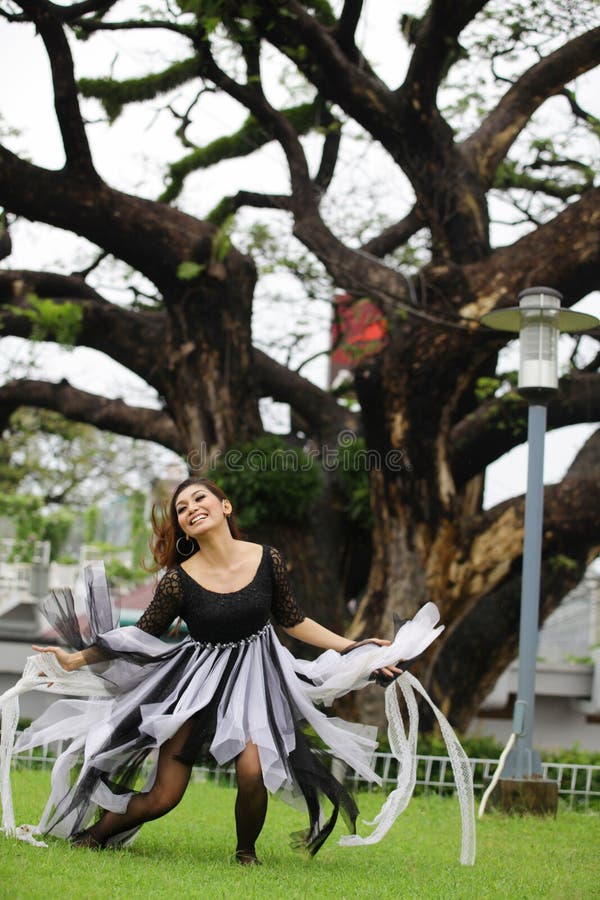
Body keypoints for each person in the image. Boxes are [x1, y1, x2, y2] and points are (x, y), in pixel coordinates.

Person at [26, 477, 405, 865]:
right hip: (195, 685)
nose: (191, 509)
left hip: (255, 680)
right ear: (184, 528)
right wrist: (73, 660)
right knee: (164, 797)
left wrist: (352, 647)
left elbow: (293, 621)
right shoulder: (178, 581)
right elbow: (138, 636)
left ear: (225, 506)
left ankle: (246, 855)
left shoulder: (267, 559)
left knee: (253, 771)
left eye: (199, 499)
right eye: (182, 509)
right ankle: (92, 837)